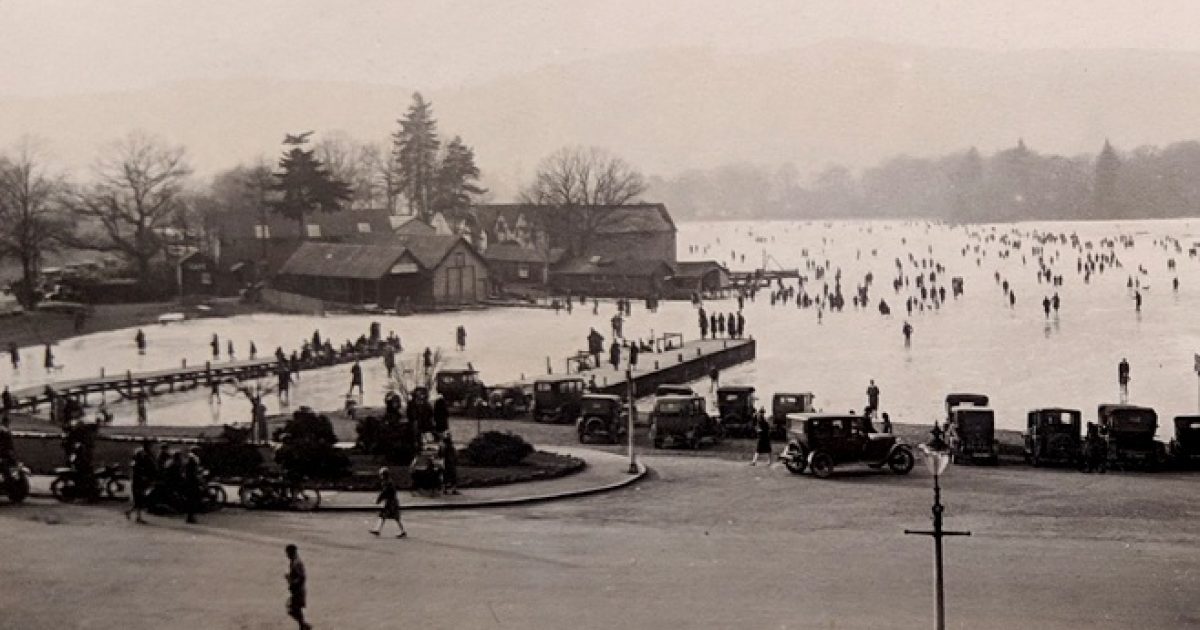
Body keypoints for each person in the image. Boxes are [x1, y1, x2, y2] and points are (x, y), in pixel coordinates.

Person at [370, 467, 407, 538]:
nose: (380, 476)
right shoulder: (389, 482)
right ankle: (378, 530)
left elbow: (384, 493)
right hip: (392, 501)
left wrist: (378, 500)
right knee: (385, 516)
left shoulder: (387, 483)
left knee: (386, 516)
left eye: (381, 474)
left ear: (384, 475)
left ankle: (402, 531)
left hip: (391, 502)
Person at [125, 440, 155, 524]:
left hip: (138, 480)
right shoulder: (142, 456)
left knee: (139, 499)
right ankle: (137, 516)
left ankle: (131, 513)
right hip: (139, 481)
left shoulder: (140, 454)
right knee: (139, 499)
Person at [284, 544, 313, 629]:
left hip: (298, 590)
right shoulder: (294, 561)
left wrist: (292, 582)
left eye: (288, 553)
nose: (287, 555)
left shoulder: (296, 563)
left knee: (293, 609)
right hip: (297, 589)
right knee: (294, 609)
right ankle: (303, 626)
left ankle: (304, 625)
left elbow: (302, 577)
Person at [183, 448, 202, 524]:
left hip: (189, 482)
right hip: (192, 483)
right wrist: (197, 478)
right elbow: (193, 472)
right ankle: (190, 517)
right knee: (192, 500)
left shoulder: (190, 459)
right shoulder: (193, 460)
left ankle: (190, 516)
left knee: (191, 500)